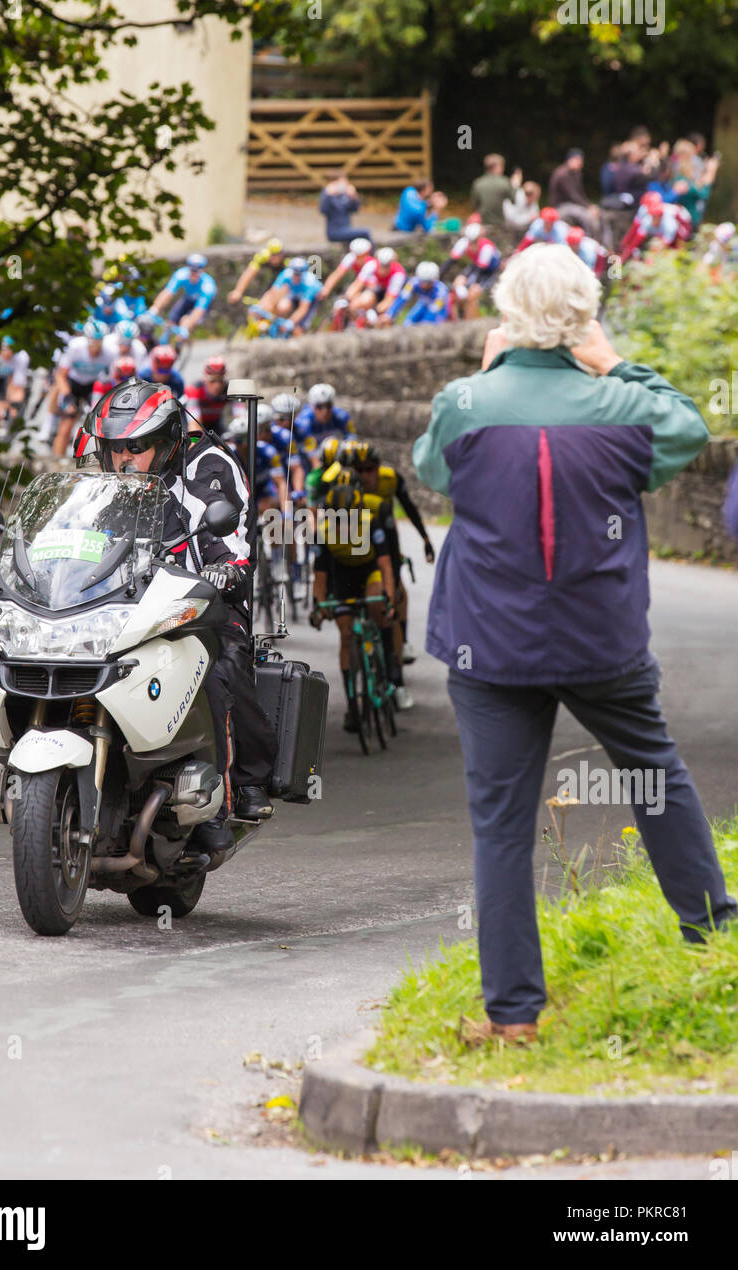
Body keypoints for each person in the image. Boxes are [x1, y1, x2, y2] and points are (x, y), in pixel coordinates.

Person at [413, 242, 736, 1041]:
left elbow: (434, 471)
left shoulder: (467, 403)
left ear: (508, 314)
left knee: (501, 823)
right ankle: (717, 944)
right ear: (586, 316)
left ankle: (514, 1015)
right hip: (604, 641)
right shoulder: (627, 408)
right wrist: (618, 363)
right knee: (657, 778)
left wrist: (488, 373)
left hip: (491, 650)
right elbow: (688, 431)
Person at [82, 380, 277, 856]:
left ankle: (226, 800)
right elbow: (82, 533)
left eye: (134, 447)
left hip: (200, 605)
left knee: (216, 668)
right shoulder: (112, 483)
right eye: (111, 449)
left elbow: (232, 545)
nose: (121, 459)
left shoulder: (209, 467)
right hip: (126, 607)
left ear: (166, 441)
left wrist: (223, 569)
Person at [341, 438, 435, 682]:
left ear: (378, 467)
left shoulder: (391, 479)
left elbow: (410, 507)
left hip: (386, 540)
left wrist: (425, 538)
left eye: (370, 469)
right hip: (357, 547)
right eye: (359, 470)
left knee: (395, 592)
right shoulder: (345, 487)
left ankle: (399, 646)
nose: (365, 475)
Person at [309, 480, 398, 732]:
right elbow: (321, 576)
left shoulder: (371, 524)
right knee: (346, 635)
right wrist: (318, 606)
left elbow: (385, 566)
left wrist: (389, 599)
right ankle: (352, 707)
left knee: (377, 607)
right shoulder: (324, 532)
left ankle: (387, 661)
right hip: (343, 578)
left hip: (369, 572)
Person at [52, 321, 118, 458]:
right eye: (92, 343)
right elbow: (60, 376)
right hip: (72, 383)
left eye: (98, 343)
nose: (95, 348)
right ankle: (57, 458)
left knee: (97, 423)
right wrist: (67, 395)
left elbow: (111, 379)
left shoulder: (110, 353)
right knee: (67, 423)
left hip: (92, 386)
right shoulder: (75, 346)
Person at [151, 253, 217, 335]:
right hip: (188, 298)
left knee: (185, 322)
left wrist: (187, 325)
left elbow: (200, 309)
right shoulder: (181, 274)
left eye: (197, 272)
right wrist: (154, 309)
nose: (194, 275)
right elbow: (167, 292)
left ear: (203, 270)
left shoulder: (207, 286)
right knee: (171, 321)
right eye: (192, 271)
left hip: (202, 305)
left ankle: (180, 342)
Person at [448, 221, 502, 319]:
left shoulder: (486, 248)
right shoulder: (463, 242)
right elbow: (450, 262)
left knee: (472, 294)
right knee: (458, 284)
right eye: (470, 242)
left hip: (488, 271)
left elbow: (479, 272)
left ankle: (470, 319)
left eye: (475, 242)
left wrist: (467, 287)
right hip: (476, 266)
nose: (472, 245)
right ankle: (458, 314)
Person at [342, 246, 408, 325]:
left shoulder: (398, 275)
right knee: (359, 301)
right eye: (381, 265)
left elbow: (389, 300)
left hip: (392, 297)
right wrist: (346, 300)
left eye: (386, 266)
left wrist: (375, 311)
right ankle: (352, 323)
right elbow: (357, 285)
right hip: (377, 291)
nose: (383, 270)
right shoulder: (371, 265)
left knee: (384, 320)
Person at [619, 191, 692, 262]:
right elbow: (636, 235)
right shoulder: (646, 216)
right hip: (662, 232)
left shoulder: (670, 223)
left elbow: (666, 242)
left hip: (680, 230)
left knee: (675, 248)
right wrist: (624, 250)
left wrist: (651, 257)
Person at [547, 148, 603, 238]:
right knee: (586, 216)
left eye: (581, 160)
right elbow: (572, 196)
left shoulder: (576, 173)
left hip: (571, 205)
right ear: (569, 159)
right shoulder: (562, 174)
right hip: (560, 207)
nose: (580, 162)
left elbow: (581, 194)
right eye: (577, 159)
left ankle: (602, 244)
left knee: (599, 213)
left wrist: (590, 205)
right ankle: (588, 240)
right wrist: (588, 207)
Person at [294, 383, 355, 459]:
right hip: (311, 460)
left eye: (328, 406)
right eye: (319, 407)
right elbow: (312, 455)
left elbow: (352, 440)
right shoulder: (303, 422)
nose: (324, 411)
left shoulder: (342, 416)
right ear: (312, 406)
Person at [267, 256, 322, 335]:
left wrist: (290, 323)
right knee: (282, 307)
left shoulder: (310, 284)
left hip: (310, 301)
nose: (296, 276)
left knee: (298, 327)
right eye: (294, 273)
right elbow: (272, 293)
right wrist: (264, 309)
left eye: (298, 274)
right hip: (295, 296)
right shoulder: (285, 274)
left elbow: (303, 308)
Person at [385, 261, 450, 324]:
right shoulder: (414, 282)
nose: (425, 285)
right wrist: (389, 314)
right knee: (407, 323)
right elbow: (402, 298)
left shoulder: (441, 291)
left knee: (426, 324)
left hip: (439, 311)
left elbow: (434, 310)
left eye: (428, 282)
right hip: (423, 304)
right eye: (423, 281)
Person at [228, 238, 286, 305]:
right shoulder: (263, 257)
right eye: (273, 255)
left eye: (277, 255)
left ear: (282, 254)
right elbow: (249, 272)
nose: (275, 258)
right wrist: (238, 291)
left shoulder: (287, 261)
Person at [319, 238, 375, 303]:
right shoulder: (351, 257)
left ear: (367, 253)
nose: (357, 258)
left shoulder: (371, 264)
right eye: (356, 255)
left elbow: (358, 283)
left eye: (361, 256)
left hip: (372, 288)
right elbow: (337, 273)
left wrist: (346, 298)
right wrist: (326, 289)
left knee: (357, 300)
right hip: (361, 284)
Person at [183, 356, 229, 435]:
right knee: (194, 441)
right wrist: (196, 442)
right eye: (212, 380)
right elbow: (194, 425)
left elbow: (240, 419)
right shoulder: (194, 389)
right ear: (205, 378)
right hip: (190, 422)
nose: (217, 385)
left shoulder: (229, 388)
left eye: (220, 380)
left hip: (214, 423)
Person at [319, 173, 369, 243]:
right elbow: (323, 210)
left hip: (347, 229)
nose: (345, 184)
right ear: (334, 182)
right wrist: (328, 196)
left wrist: (353, 196)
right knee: (366, 232)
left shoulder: (344, 195)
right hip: (334, 232)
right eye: (343, 182)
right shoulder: (327, 194)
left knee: (360, 238)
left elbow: (355, 209)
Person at [470, 154, 515, 229]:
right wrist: (515, 186)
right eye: (502, 166)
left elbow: (474, 206)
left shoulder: (477, 183)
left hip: (482, 224)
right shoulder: (504, 182)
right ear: (497, 166)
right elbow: (514, 200)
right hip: (500, 224)